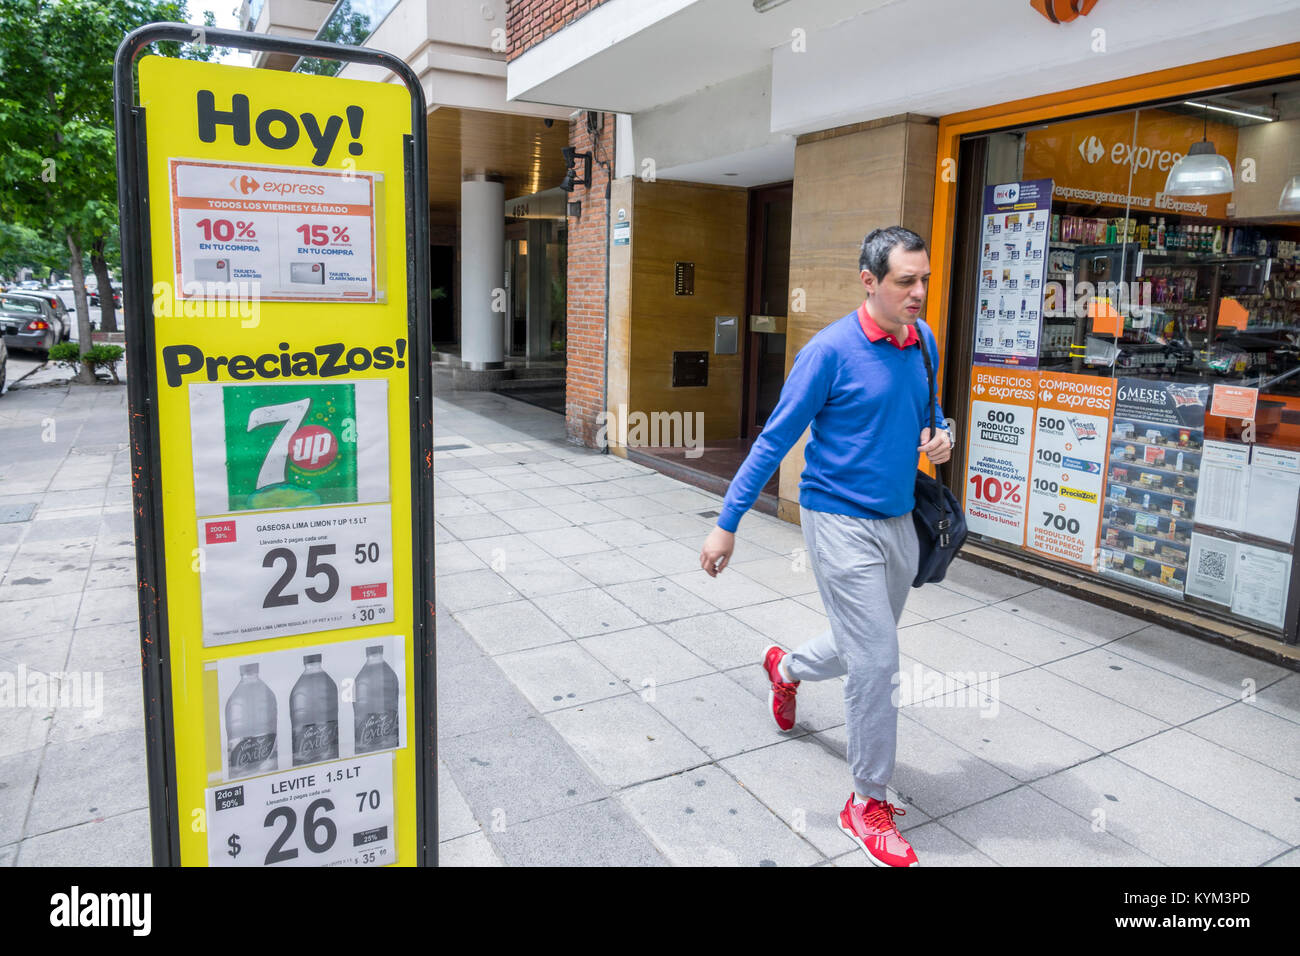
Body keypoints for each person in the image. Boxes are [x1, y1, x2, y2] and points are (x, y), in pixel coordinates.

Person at [698, 226, 953, 868]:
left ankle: (783, 669)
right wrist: (727, 521)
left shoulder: (923, 342)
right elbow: (773, 439)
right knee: (877, 658)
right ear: (869, 281)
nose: (919, 292)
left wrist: (939, 436)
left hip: (898, 520)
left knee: (856, 644)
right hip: (837, 519)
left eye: (924, 278)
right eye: (905, 281)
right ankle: (864, 804)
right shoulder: (828, 352)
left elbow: (930, 414)